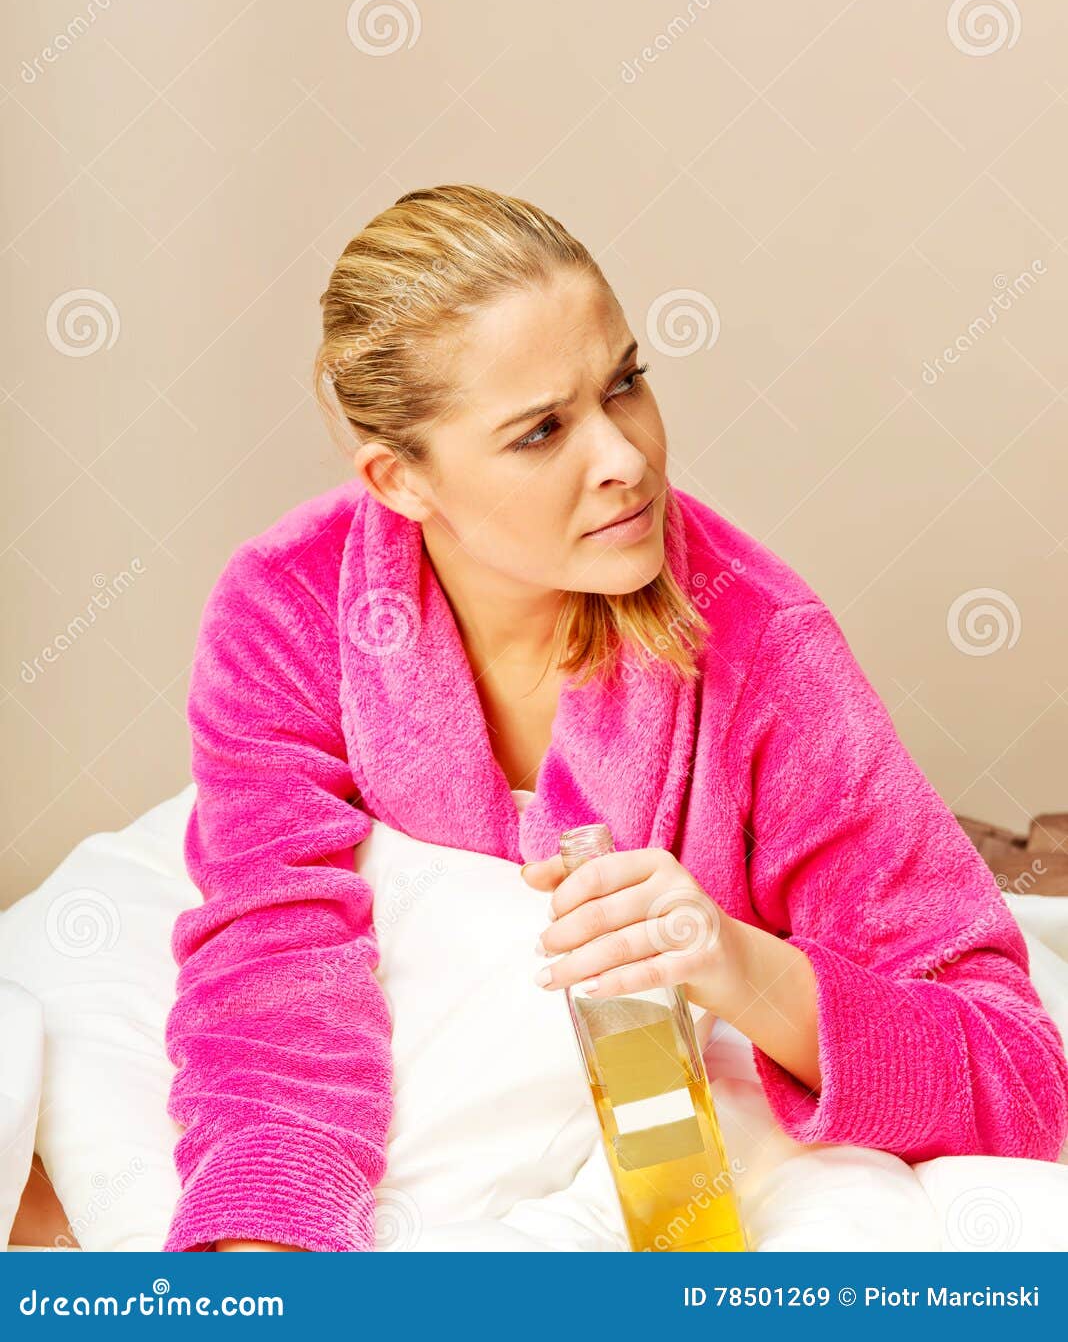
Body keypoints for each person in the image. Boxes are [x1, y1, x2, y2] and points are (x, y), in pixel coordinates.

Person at [162, 183, 1068, 1253]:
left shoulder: (763, 646)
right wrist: (268, 1261)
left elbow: (1020, 1074)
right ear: (400, 479)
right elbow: (273, 963)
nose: (626, 457)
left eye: (626, 383)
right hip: (405, 1109)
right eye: (542, 430)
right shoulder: (290, 606)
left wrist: (731, 960)